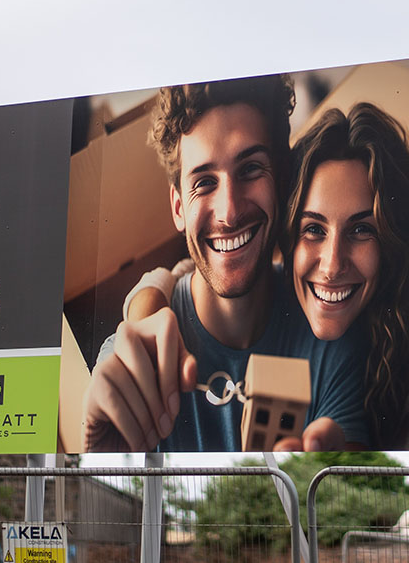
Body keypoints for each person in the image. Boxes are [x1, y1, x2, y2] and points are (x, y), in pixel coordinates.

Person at [127, 102, 409, 450]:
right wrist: (148, 301)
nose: (331, 266)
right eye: (313, 228)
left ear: (393, 239)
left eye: (361, 230)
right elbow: (200, 270)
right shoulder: (285, 292)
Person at [82, 75, 369, 453]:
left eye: (250, 169)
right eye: (204, 182)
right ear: (179, 208)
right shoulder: (131, 356)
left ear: (283, 179)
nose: (229, 212)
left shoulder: (332, 340)